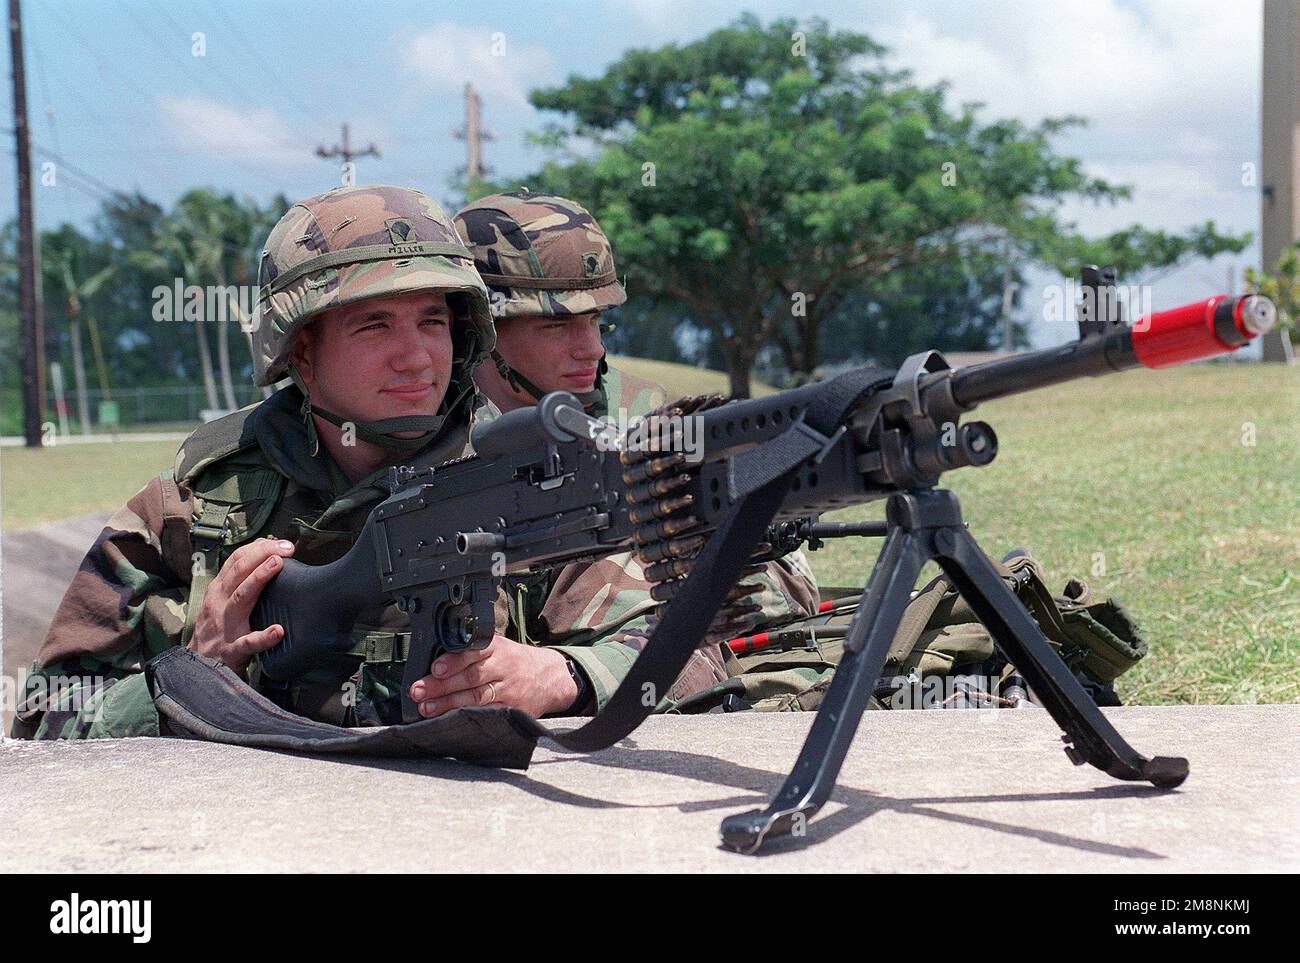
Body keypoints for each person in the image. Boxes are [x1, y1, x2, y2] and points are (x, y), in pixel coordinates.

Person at [12, 185, 725, 740]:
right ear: (301, 351)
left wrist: (563, 673)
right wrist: (193, 681)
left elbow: (696, 653)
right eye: (374, 323)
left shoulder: (525, 477)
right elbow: (45, 715)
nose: (416, 354)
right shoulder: (196, 505)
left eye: (434, 321)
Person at [454, 190, 820, 653]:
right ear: (481, 330)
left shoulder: (641, 411)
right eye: (557, 325)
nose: (592, 349)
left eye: (597, 321)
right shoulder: (442, 443)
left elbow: (787, 585)